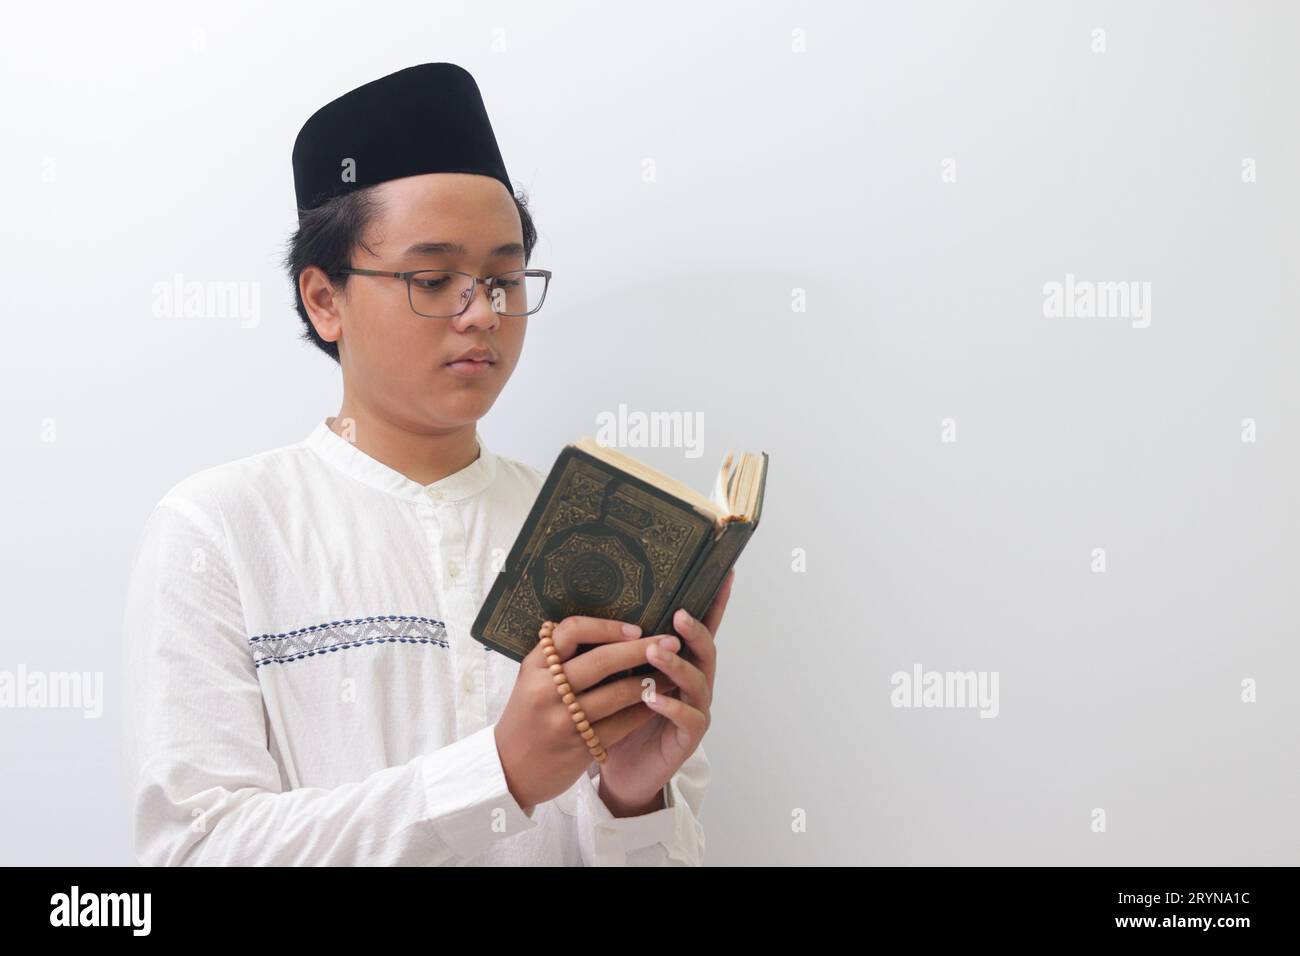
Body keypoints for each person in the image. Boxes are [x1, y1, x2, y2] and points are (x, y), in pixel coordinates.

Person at [120, 62, 733, 866]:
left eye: (503, 279)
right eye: (434, 279)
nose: (482, 313)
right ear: (324, 299)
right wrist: (500, 774)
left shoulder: (587, 528)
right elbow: (194, 851)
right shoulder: (220, 531)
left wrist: (634, 800)